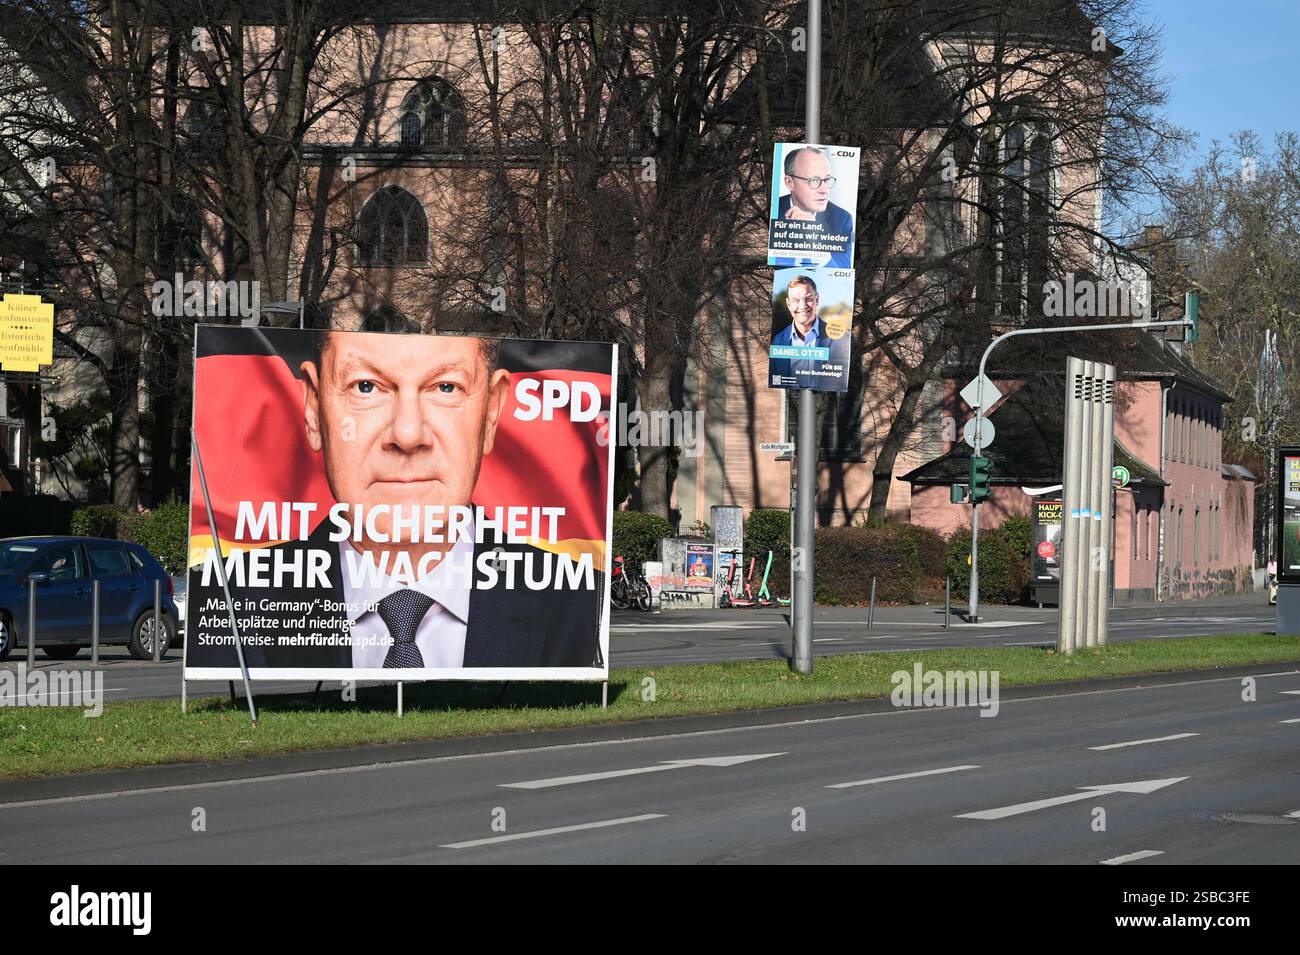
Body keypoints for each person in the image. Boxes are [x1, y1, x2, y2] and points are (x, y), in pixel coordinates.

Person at [188, 330, 602, 671]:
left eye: (445, 387)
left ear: (491, 413)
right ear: (314, 409)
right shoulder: (230, 597)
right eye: (366, 387)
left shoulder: (575, 601)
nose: (407, 435)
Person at [773, 147, 854, 268]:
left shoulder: (842, 220)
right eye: (814, 180)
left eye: (826, 180)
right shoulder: (773, 211)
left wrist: (815, 238)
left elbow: (842, 276)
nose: (825, 190)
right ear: (790, 183)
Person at [769, 275, 847, 386]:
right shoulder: (778, 340)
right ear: (788, 304)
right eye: (795, 300)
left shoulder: (838, 339)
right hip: (791, 401)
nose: (802, 306)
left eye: (809, 299)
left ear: (817, 299)